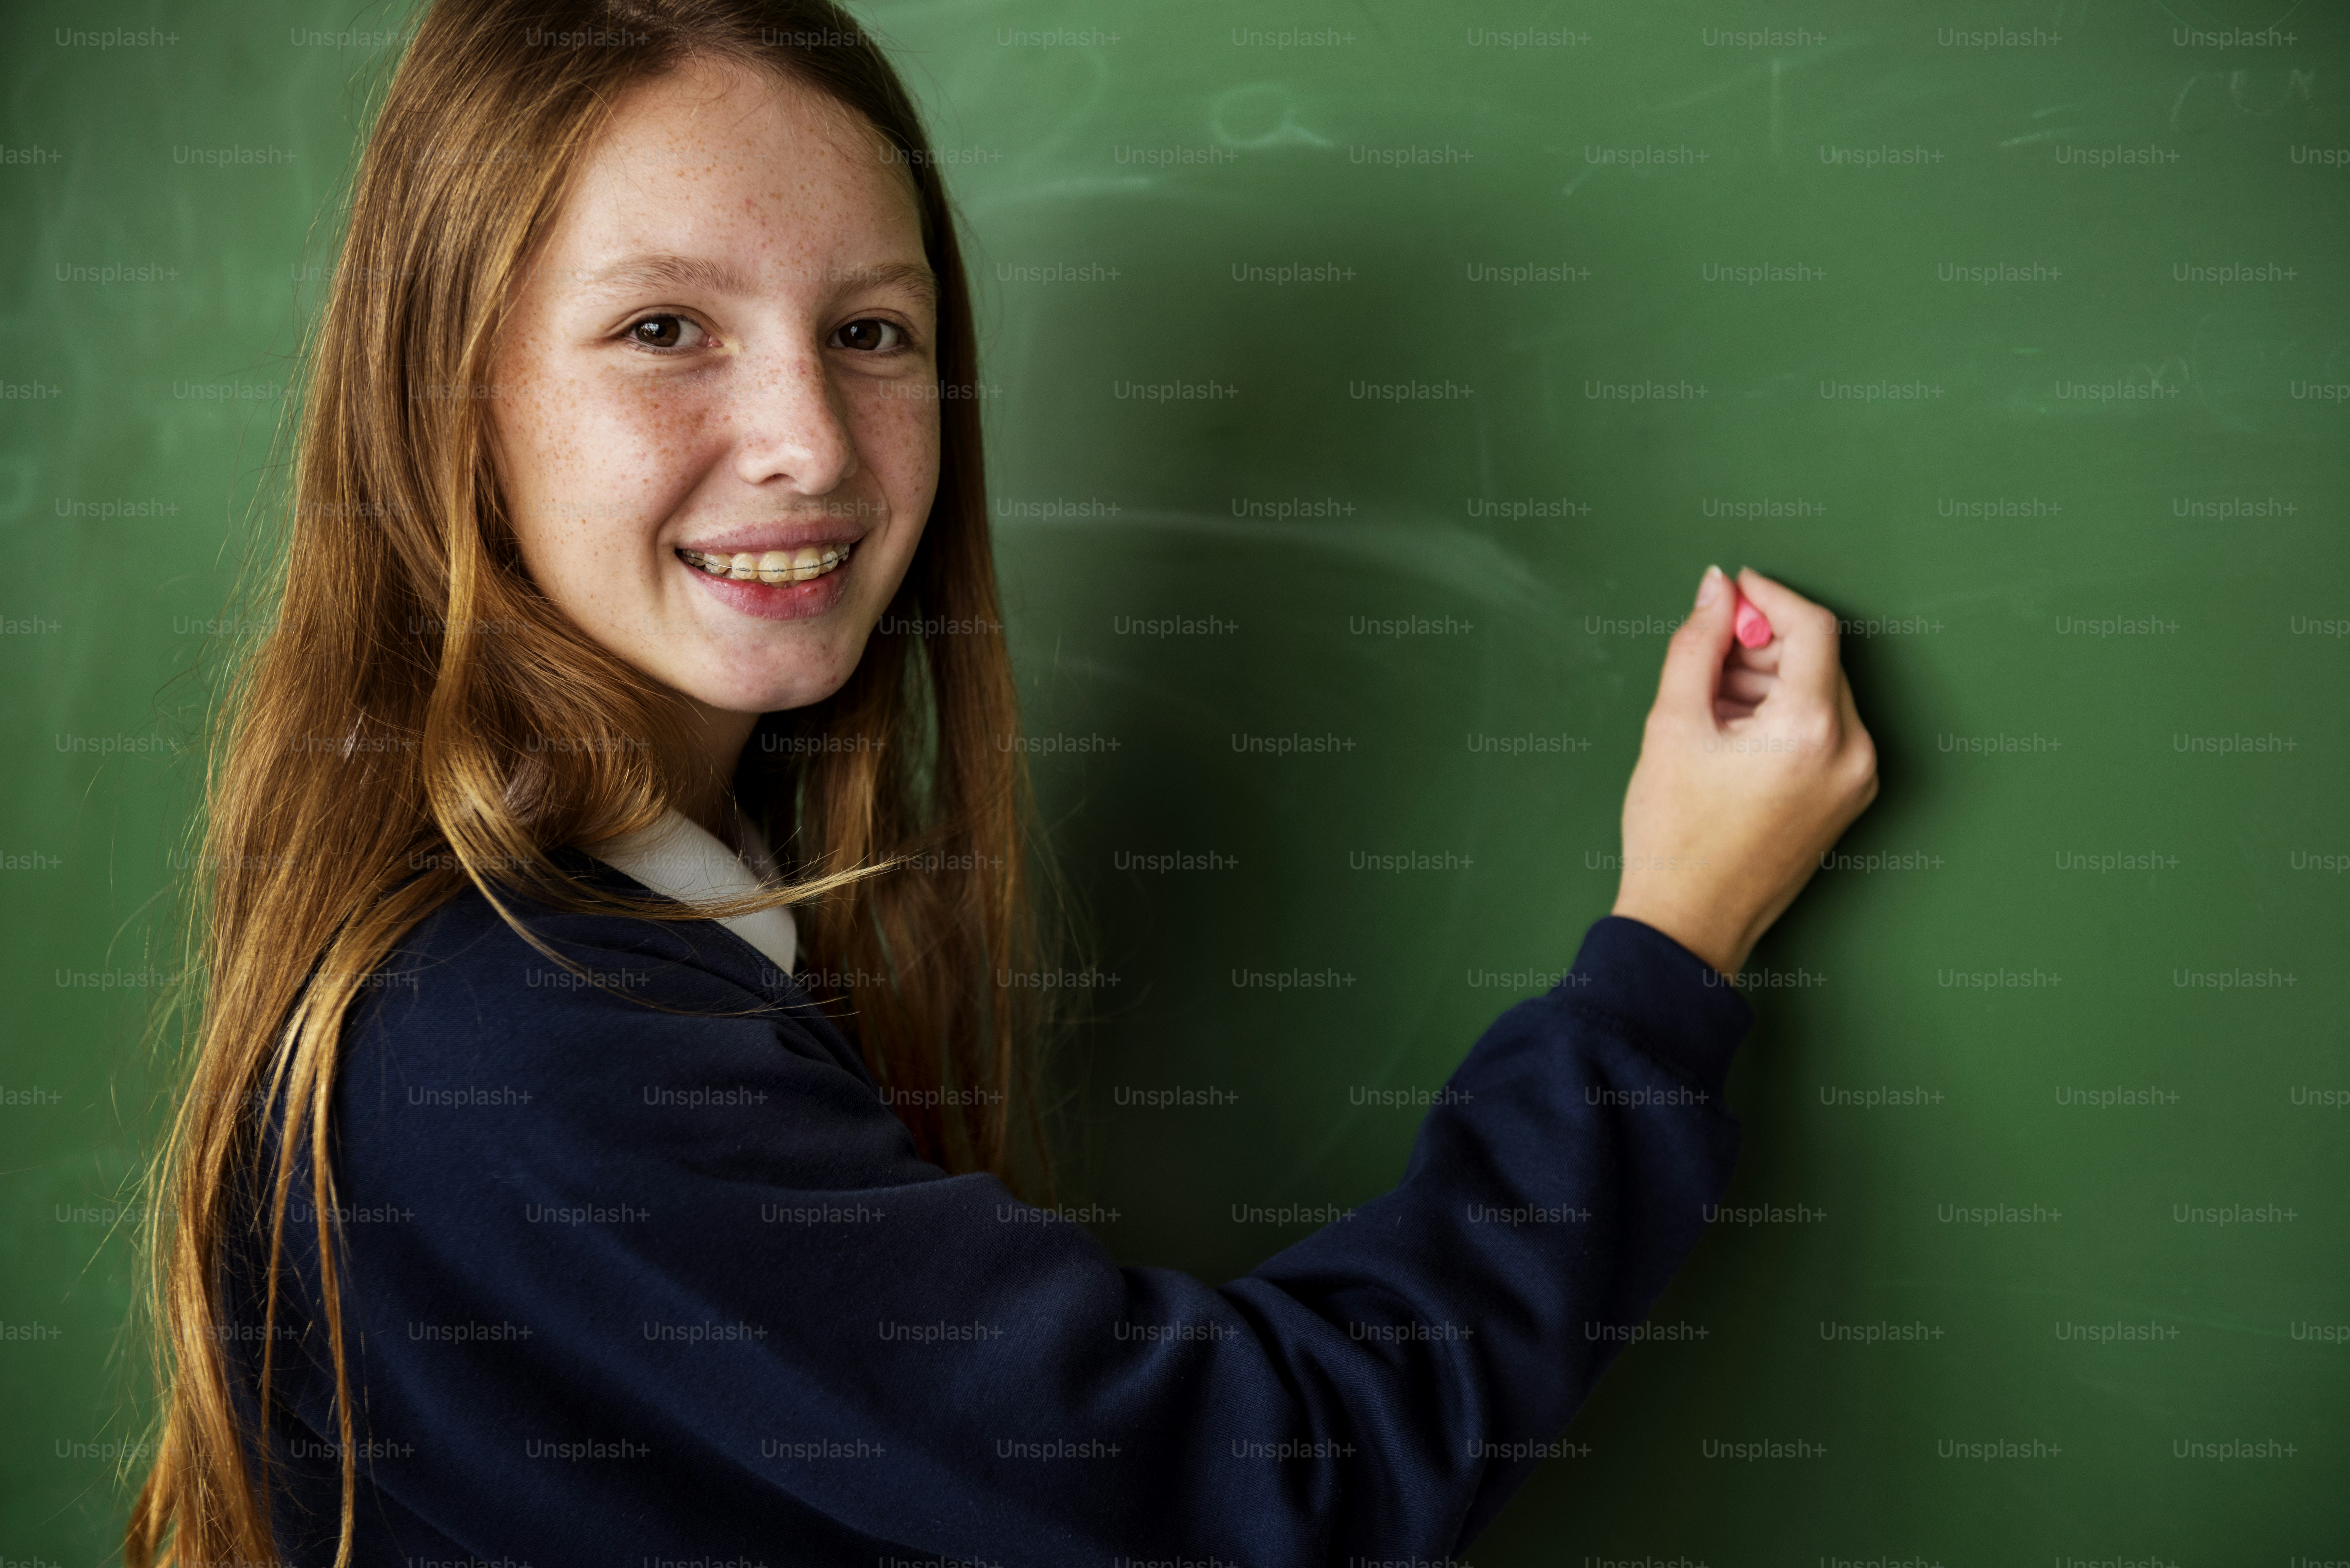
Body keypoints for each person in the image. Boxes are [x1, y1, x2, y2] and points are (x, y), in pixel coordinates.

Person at [125, 2, 1878, 1563]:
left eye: (872, 333)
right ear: (450, 396)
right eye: (664, 327)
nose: (809, 440)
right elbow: (1267, 1493)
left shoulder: (638, 940)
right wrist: (1672, 949)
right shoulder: (526, 1043)